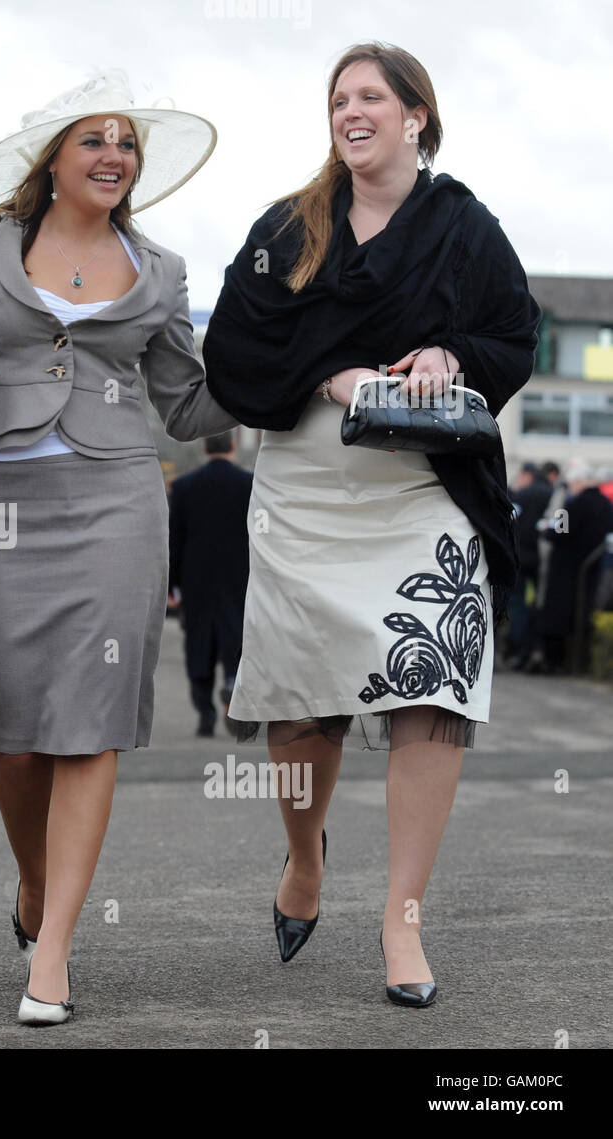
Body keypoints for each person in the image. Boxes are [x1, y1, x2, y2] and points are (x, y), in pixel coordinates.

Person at [203, 42, 540, 1007]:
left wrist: (448, 353)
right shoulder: (288, 228)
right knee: (301, 709)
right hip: (307, 490)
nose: (351, 112)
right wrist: (330, 373)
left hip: (422, 489)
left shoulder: (466, 227)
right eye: (339, 99)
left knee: (431, 686)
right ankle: (306, 858)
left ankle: (403, 918)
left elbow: (513, 334)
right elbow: (234, 347)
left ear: (416, 116)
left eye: (371, 98)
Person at [0, 70, 232, 1025]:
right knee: (14, 739)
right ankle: (34, 882)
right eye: (93, 139)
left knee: (90, 723)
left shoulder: (162, 268)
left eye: (126, 142)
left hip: (118, 500)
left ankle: (52, 950)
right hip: (3, 502)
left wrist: (272, 362)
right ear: (51, 158)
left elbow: (186, 402)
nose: (112, 155)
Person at [168, 431, 253, 736]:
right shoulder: (250, 485)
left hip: (197, 581)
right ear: (233, 445)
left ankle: (205, 713)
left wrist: (172, 586)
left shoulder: (183, 487)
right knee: (237, 640)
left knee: (199, 645)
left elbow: (174, 541)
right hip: (240, 579)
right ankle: (233, 684)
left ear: (204, 446)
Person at [535, 459, 613, 670]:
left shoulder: (573, 504)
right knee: (583, 615)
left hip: (565, 569)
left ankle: (555, 661)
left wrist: (546, 530)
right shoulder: (605, 504)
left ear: (578, 482)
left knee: (558, 617)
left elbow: (558, 533)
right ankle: (581, 661)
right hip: (591, 569)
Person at [505, 462, 551, 668]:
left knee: (517, 603)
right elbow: (562, 526)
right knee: (540, 602)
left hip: (519, 554)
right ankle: (535, 648)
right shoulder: (552, 494)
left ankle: (516, 646)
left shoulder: (521, 495)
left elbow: (510, 520)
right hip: (542, 556)